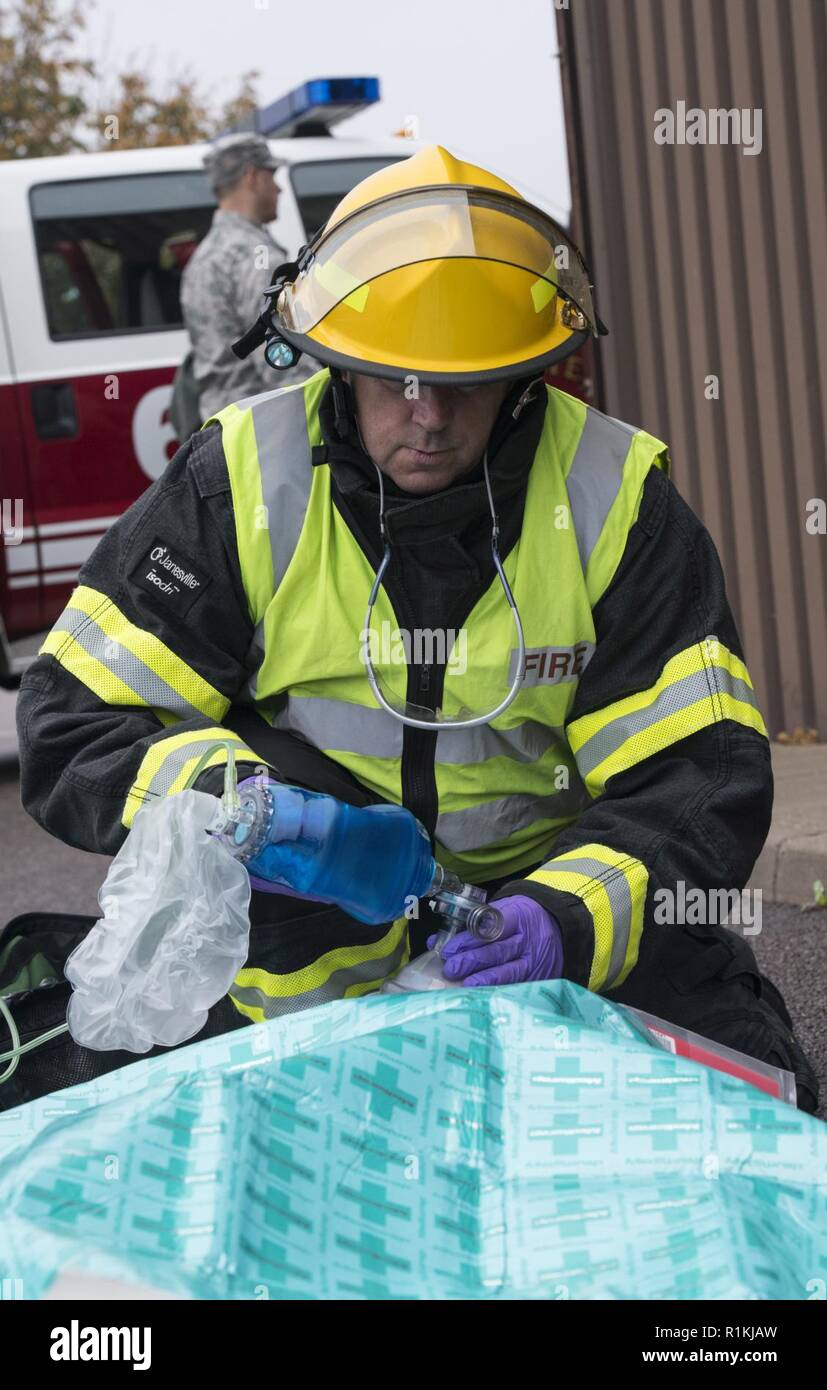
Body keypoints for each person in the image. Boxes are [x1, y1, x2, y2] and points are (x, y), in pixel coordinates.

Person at [17, 145, 818, 1111]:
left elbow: (699, 778)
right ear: (336, 364)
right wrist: (252, 812)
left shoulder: (615, 502)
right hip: (300, 932)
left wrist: (558, 917)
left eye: (464, 384)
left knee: (756, 1113)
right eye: (393, 378)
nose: (427, 416)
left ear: (525, 379)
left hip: (540, 927)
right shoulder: (237, 482)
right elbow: (76, 721)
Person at [179, 132, 310, 423]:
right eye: (271, 175)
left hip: (224, 429)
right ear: (252, 177)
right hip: (263, 429)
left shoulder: (202, 257)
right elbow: (282, 364)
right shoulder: (256, 257)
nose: (278, 189)